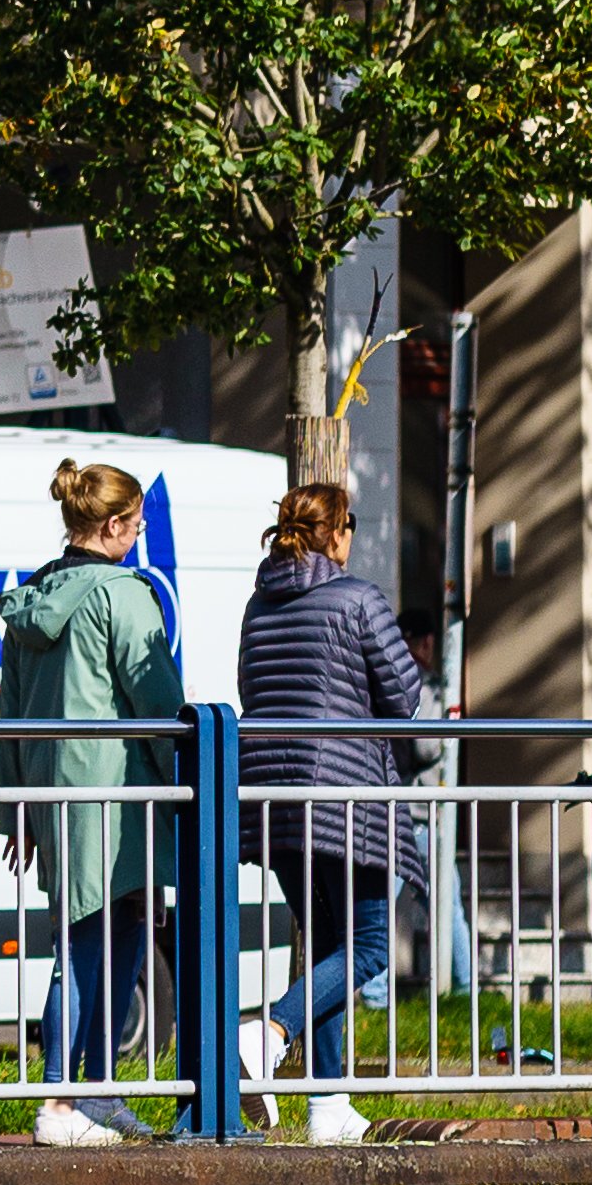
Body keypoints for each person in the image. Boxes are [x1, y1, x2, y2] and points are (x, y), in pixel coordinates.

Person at [238, 475, 434, 1144]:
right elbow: (405, 697)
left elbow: (251, 688)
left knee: (327, 943)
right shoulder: (358, 599)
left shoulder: (257, 605)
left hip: (273, 793)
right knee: (373, 943)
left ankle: (328, 1103)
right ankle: (270, 1032)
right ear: (337, 533)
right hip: (346, 794)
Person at [0, 456, 185, 1142]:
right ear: (110, 525)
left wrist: (15, 805)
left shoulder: (29, 601)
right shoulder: (122, 594)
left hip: (53, 790)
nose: (137, 537)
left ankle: (95, 1093)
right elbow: (158, 699)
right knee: (97, 943)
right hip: (120, 791)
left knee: (94, 934)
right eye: (134, 525)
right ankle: (62, 1102)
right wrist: (186, 777)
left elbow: (7, 713)